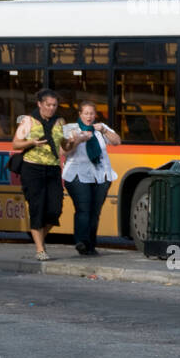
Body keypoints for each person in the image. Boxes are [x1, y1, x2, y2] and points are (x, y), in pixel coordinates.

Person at [11, 89, 67, 260]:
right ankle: (40, 249)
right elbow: (15, 144)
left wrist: (73, 142)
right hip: (32, 169)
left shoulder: (60, 122)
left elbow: (65, 147)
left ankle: (40, 240)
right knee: (37, 208)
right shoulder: (29, 121)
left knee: (55, 209)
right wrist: (32, 142)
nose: (51, 108)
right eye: (48, 105)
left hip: (53, 169)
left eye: (54, 105)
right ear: (40, 104)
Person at [62, 101, 120, 256]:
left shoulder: (100, 128)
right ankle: (81, 241)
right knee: (83, 209)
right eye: (86, 113)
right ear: (80, 114)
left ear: (95, 115)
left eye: (92, 113)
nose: (89, 117)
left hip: (101, 175)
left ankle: (91, 245)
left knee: (95, 212)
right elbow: (64, 151)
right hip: (77, 174)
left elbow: (117, 141)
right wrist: (78, 140)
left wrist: (104, 131)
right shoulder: (71, 128)